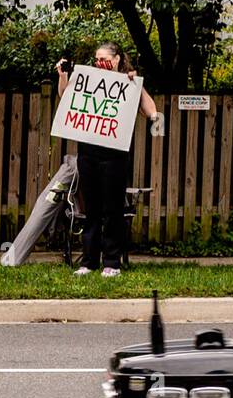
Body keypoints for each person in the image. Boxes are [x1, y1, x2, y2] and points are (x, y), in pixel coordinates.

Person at [55, 42, 158, 277]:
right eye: (96, 58)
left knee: (113, 210)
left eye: (104, 58)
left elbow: (148, 106)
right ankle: (89, 262)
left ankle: (111, 262)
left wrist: (142, 96)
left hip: (115, 156)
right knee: (91, 210)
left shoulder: (127, 82)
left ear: (117, 59)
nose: (99, 62)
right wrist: (63, 76)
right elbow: (65, 97)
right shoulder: (88, 80)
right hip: (88, 153)